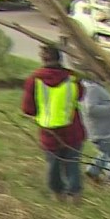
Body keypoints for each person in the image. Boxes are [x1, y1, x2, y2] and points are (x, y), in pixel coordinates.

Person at [22, 44, 86, 204]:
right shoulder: (73, 78)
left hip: (49, 133)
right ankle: (75, 195)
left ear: (43, 58)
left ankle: (58, 194)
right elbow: (81, 95)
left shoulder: (34, 79)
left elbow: (28, 109)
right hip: (73, 130)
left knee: (54, 165)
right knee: (72, 163)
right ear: (60, 58)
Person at [80, 76, 110, 187]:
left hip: (108, 128)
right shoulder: (92, 89)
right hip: (104, 132)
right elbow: (91, 109)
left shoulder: (94, 87)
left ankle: (93, 171)